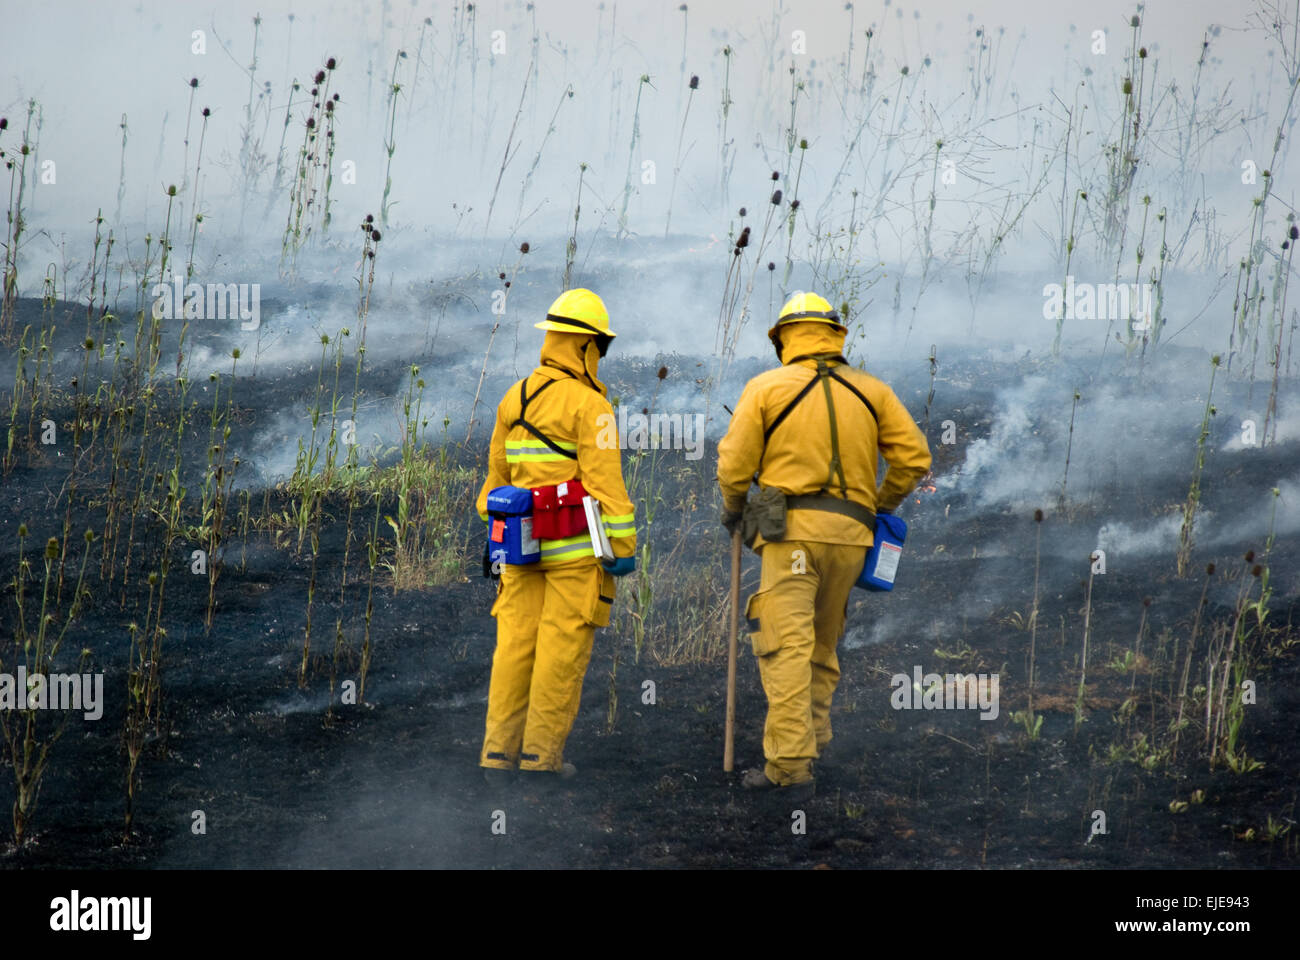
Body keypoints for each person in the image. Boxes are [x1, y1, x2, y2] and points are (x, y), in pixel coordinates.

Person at [716, 292, 931, 801]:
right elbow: (915, 457)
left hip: (789, 538)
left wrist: (733, 507)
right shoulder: (872, 391)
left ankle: (789, 769)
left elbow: (733, 464)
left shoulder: (766, 387)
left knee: (784, 644)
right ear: (834, 334)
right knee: (819, 645)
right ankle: (810, 744)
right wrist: (877, 506)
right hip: (852, 541)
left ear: (784, 338)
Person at [475, 288, 637, 786]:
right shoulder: (593, 408)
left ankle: (498, 757)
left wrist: (500, 530)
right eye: (600, 349)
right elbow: (608, 489)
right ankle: (541, 760)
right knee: (558, 652)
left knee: (514, 649)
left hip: (517, 551)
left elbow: (493, 487)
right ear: (588, 347)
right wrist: (623, 550)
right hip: (574, 558)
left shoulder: (513, 396)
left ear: (553, 342)